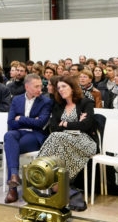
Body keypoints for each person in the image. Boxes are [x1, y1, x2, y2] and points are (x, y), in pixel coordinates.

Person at [37, 75, 99, 211]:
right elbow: (54, 127)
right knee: (57, 139)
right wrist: (76, 124)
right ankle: (60, 185)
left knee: (56, 137)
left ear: (72, 87)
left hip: (86, 141)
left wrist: (65, 124)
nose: (61, 89)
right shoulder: (59, 105)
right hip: (63, 141)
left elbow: (86, 126)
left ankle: (40, 174)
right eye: (59, 87)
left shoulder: (86, 102)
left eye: (64, 86)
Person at [3, 74, 53, 203]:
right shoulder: (16, 100)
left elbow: (40, 123)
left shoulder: (46, 101)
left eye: (40, 86)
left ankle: (12, 189)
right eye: (36, 86)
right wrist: (31, 120)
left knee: (11, 147)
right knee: (8, 135)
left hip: (35, 135)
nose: (40, 89)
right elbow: (10, 122)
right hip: (18, 133)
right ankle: (14, 176)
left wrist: (21, 118)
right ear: (27, 87)